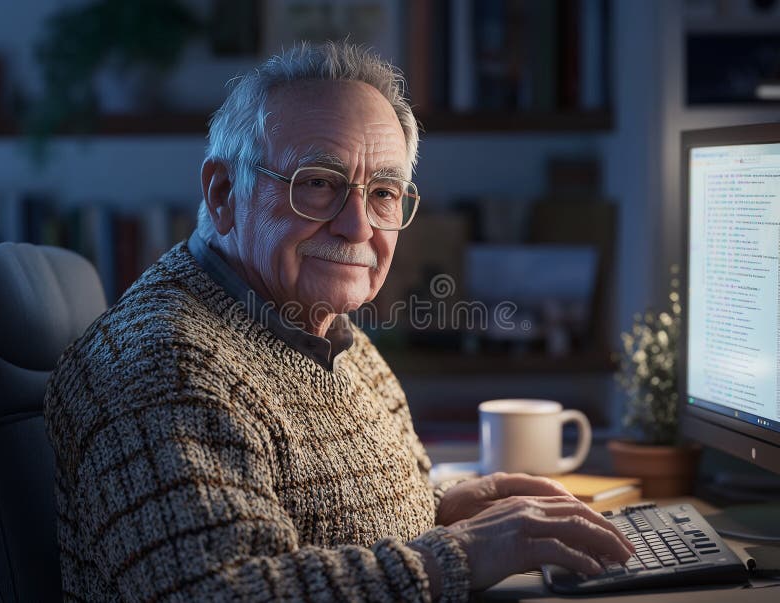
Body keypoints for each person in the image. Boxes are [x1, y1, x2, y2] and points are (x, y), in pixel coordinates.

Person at [44, 42, 633, 602]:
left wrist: (442, 508)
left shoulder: (326, 331)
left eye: (384, 193)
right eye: (319, 184)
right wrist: (457, 554)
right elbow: (216, 591)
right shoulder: (163, 364)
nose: (358, 227)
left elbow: (319, 523)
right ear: (224, 193)